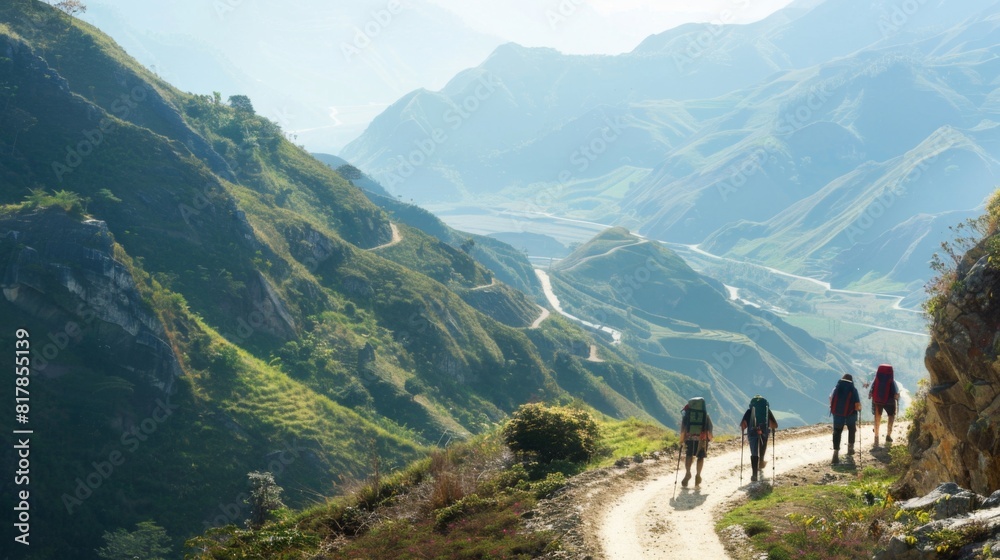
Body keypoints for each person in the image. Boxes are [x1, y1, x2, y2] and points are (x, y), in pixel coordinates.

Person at [740, 396, 777, 481]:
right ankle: (761, 462)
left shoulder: (749, 412)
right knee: (762, 448)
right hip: (764, 431)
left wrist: (744, 430)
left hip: (752, 432)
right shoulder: (767, 411)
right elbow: (774, 425)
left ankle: (754, 475)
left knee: (754, 452)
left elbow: (743, 425)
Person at [678, 398, 713, 487]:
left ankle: (688, 473)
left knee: (689, 455)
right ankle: (698, 475)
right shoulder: (706, 415)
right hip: (702, 439)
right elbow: (710, 430)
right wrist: (709, 438)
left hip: (689, 438)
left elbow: (683, 429)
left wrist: (681, 440)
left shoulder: (687, 415)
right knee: (700, 457)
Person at [829, 373, 862, 464]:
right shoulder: (853, 389)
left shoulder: (836, 388)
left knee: (837, 432)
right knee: (852, 429)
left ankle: (836, 453)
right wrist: (859, 409)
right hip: (850, 414)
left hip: (838, 414)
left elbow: (830, 399)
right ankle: (850, 449)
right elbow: (857, 404)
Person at [866, 364, 899, 447]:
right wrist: (896, 396)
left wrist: (870, 394)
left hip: (878, 401)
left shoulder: (877, 379)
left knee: (877, 418)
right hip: (890, 401)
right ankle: (888, 435)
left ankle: (876, 438)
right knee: (891, 416)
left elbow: (872, 388)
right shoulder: (892, 380)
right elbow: (895, 392)